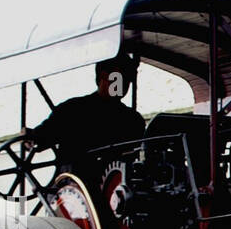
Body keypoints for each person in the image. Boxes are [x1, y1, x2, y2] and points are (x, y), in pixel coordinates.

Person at [25, 55, 144, 187]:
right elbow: (40, 139)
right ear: (104, 76)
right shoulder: (71, 110)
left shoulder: (133, 120)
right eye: (121, 79)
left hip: (106, 192)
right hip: (76, 193)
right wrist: (30, 138)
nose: (125, 85)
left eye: (128, 80)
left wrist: (30, 138)